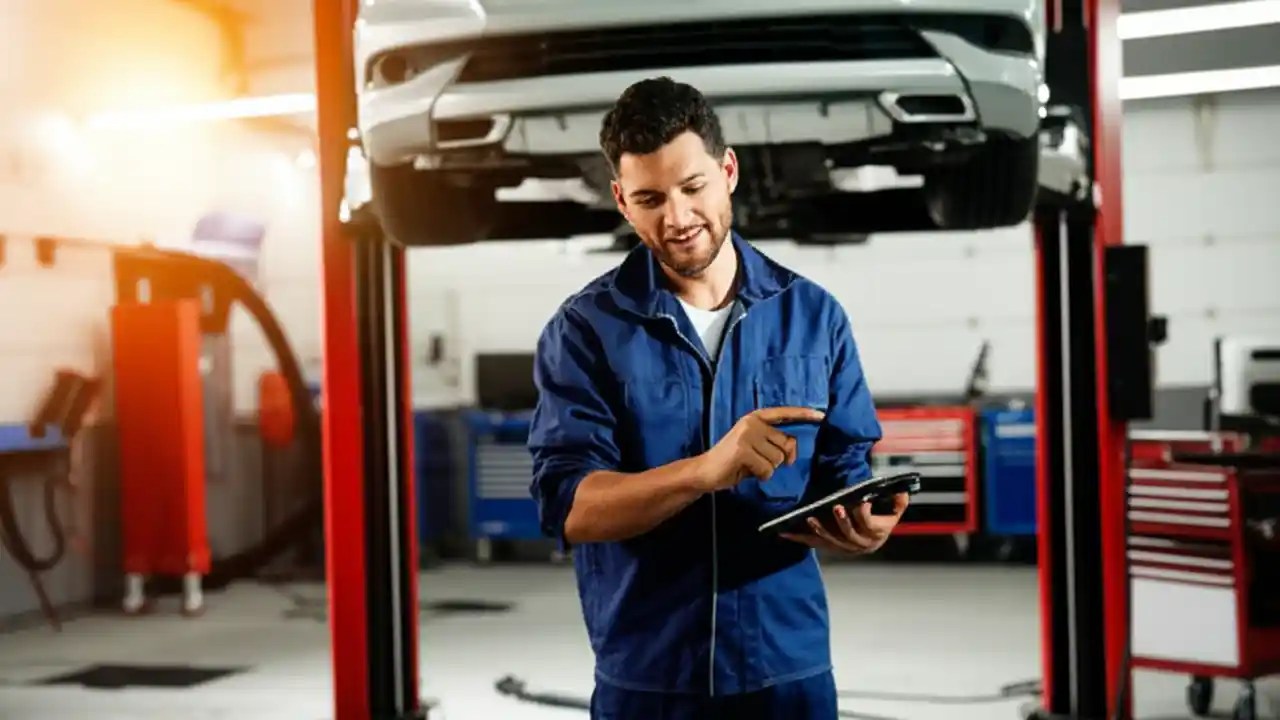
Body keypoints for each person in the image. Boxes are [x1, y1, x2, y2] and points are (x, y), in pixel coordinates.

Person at [527, 76, 909, 720]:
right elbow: (571, 507)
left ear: (727, 170)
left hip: (787, 668)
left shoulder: (814, 316)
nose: (676, 219)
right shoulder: (586, 330)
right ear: (621, 201)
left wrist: (865, 525)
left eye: (692, 187)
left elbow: (845, 470)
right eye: (649, 198)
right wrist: (708, 471)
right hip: (649, 674)